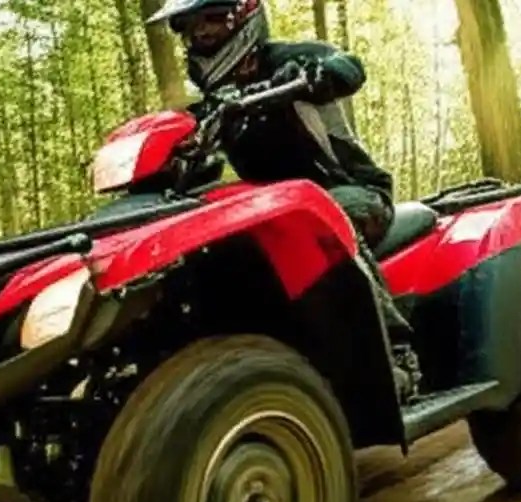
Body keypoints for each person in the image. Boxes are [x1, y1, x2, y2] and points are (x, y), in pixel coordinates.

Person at [147, 0, 421, 401]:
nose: (200, 33)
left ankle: (398, 355)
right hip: (276, 213)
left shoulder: (291, 61)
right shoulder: (210, 102)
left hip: (352, 192)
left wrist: (319, 76)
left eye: (212, 19)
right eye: (189, 26)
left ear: (243, 15)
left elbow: (349, 66)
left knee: (324, 215)